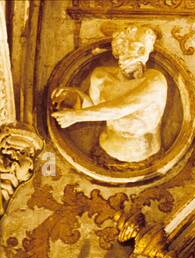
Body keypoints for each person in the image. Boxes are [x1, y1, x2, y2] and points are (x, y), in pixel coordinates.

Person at [51, 26, 169, 163]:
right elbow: (96, 107)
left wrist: (77, 116)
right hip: (104, 153)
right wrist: (74, 96)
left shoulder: (155, 80)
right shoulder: (100, 77)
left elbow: (120, 109)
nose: (139, 53)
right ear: (119, 48)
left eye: (142, 49)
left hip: (148, 159)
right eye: (132, 47)